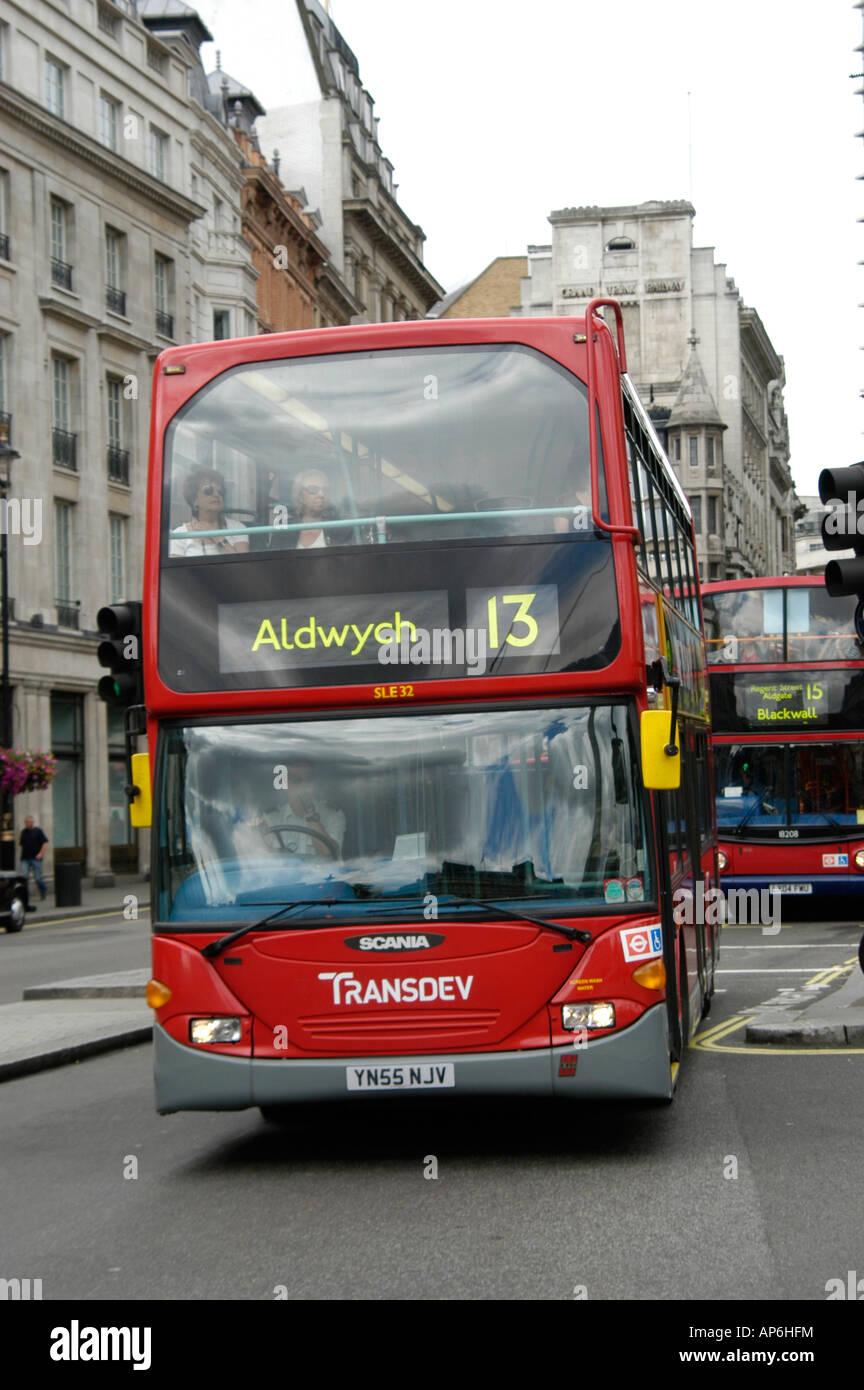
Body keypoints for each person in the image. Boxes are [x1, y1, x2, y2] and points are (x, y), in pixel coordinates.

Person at [255, 758, 346, 860]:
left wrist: (311, 815)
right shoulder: (272, 818)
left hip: (323, 875)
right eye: (297, 781)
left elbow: (328, 855)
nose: (304, 786)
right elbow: (261, 858)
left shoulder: (332, 815)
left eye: (309, 779)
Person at [169, 467, 249, 557]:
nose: (216, 494)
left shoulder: (237, 528)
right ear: (194, 500)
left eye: (220, 490)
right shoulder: (180, 535)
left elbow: (241, 566)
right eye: (208, 490)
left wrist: (217, 536)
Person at [270, 469, 338, 550]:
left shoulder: (337, 526)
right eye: (313, 489)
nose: (321, 494)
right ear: (300, 495)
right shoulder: (285, 529)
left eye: (325, 490)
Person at [19, 814, 48, 901]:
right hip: (25, 858)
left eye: (28, 822)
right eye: (26, 822)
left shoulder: (38, 831)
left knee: (38, 878)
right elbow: (22, 844)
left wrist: (41, 853)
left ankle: (43, 890)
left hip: (36, 858)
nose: (27, 824)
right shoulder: (23, 832)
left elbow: (45, 843)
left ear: (32, 822)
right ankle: (25, 896)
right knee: (24, 878)